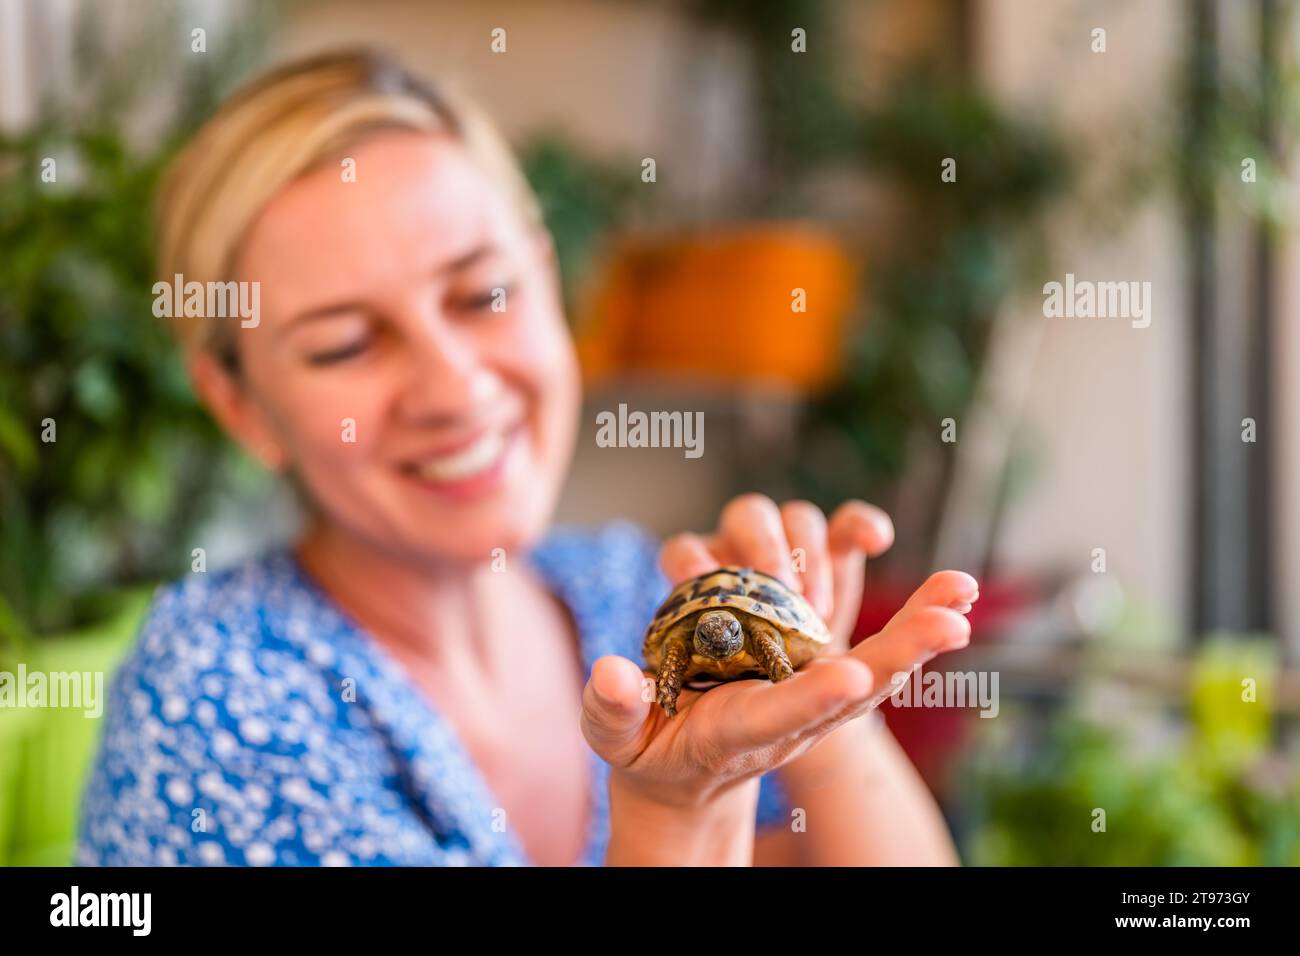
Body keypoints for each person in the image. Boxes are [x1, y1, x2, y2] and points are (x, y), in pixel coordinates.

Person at [77, 50, 978, 867]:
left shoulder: (633, 591)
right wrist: (676, 813)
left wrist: (826, 716)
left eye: (484, 294)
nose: (454, 387)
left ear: (552, 286)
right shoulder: (219, 698)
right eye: (347, 343)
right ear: (241, 404)